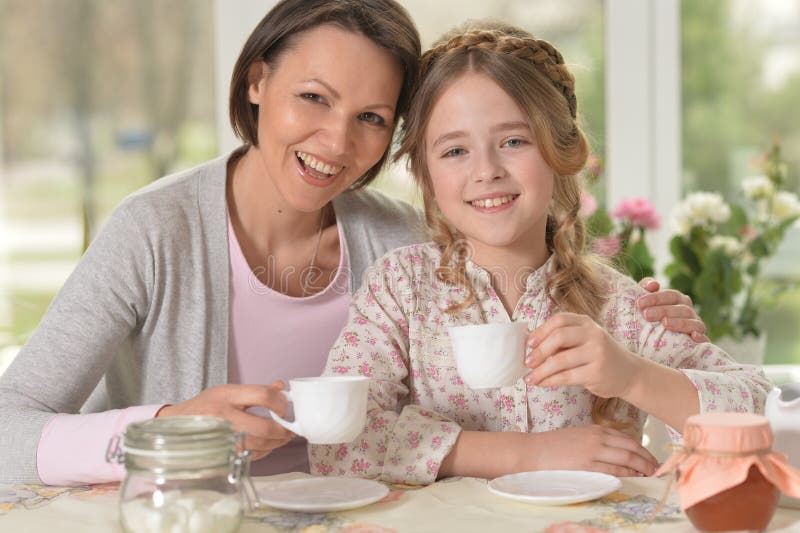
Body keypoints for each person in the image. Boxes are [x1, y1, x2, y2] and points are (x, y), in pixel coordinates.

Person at [0, 2, 704, 486]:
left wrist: (647, 328)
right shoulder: (155, 232)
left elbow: (517, 258)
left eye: (371, 116)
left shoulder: (407, 244)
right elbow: (8, 427)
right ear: (257, 81)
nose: (337, 141)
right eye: (314, 97)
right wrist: (168, 426)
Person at [308, 23, 771, 485]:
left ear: (559, 151)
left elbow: (763, 416)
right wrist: (526, 454)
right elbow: (336, 446)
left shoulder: (619, 307)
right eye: (455, 150)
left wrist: (632, 376)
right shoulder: (399, 289)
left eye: (513, 141)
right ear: (424, 173)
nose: (486, 170)